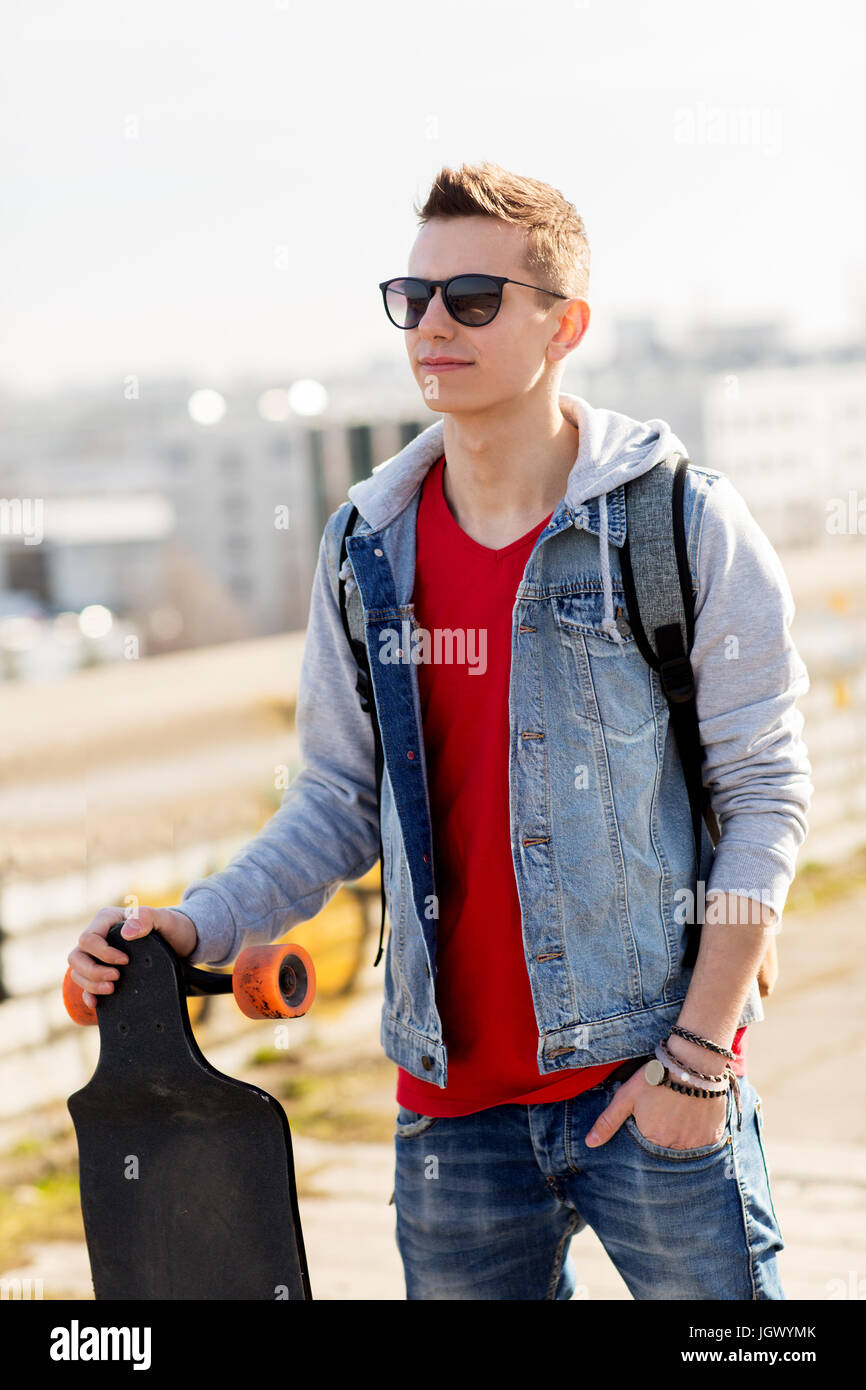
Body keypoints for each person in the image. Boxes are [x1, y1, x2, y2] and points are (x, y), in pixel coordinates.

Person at [68, 160, 812, 1300]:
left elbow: (764, 794)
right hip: (451, 1124)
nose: (431, 325)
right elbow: (331, 800)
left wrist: (697, 1063)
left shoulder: (678, 521)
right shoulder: (367, 547)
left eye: (472, 299)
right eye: (410, 298)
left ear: (563, 324)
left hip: (650, 1080)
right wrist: (196, 923)